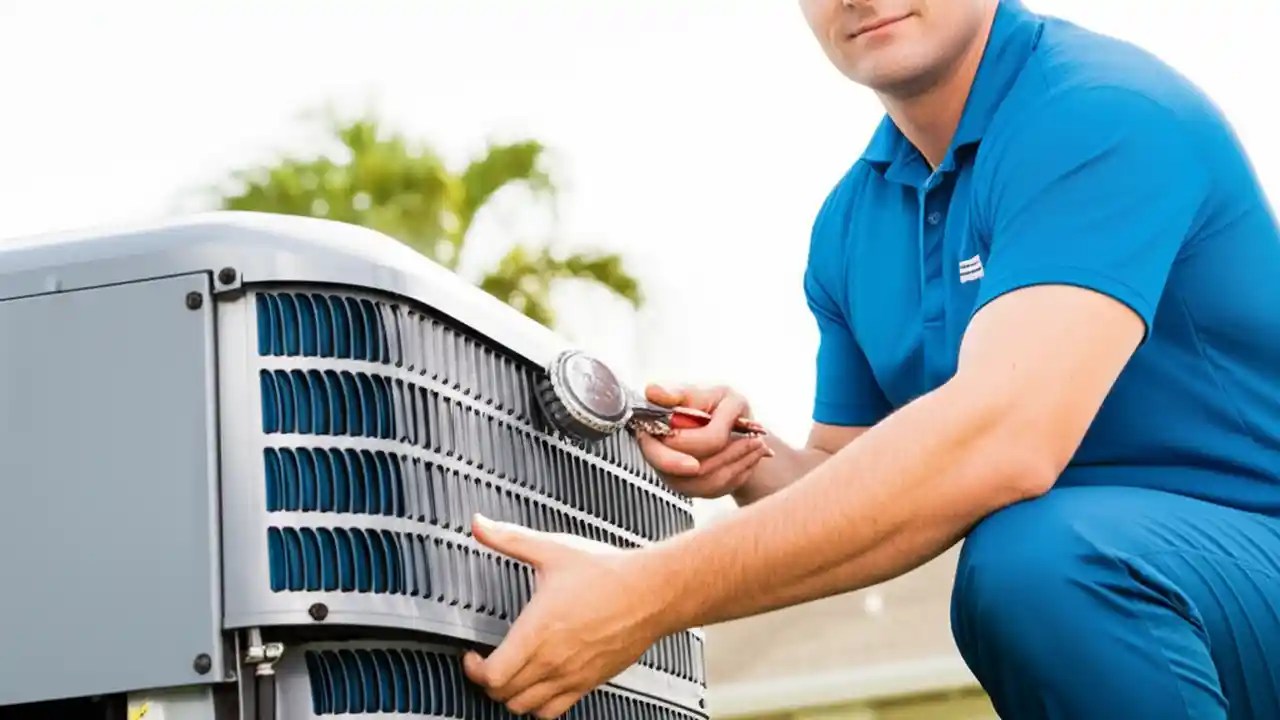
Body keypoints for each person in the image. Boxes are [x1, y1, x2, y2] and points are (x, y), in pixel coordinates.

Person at [463, 0, 1280, 717]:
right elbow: (849, 478)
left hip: (1243, 561)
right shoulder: (852, 223)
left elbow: (1002, 444)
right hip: (1136, 597)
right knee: (1038, 560)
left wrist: (642, 593)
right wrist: (754, 458)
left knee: (1036, 564)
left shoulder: (1099, 112)